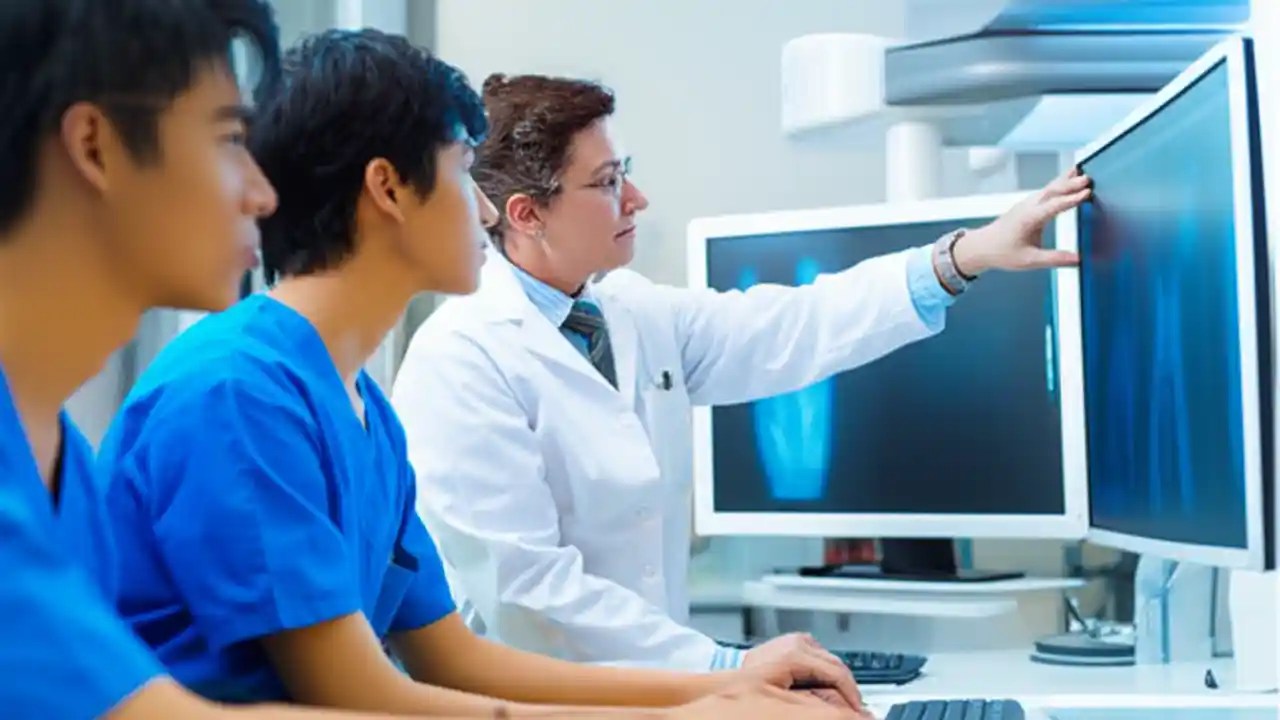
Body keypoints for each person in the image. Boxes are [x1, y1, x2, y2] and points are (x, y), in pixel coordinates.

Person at [95, 28, 864, 720]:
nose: (489, 213)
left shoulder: (363, 411)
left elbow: (457, 660)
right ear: (388, 188)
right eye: (465, 170)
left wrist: (723, 683)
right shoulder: (240, 395)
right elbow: (363, 696)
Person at [389, 74, 1093, 671]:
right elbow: (527, 594)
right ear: (526, 215)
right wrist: (725, 668)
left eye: (625, 171)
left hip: (662, 692)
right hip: (545, 702)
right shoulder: (462, 359)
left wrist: (964, 257)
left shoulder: (631, 312)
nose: (637, 199)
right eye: (607, 183)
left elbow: (795, 325)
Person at [0, 1, 413, 717]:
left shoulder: (58, 459)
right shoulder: (231, 385)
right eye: (229, 139)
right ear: (95, 146)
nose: (262, 193)